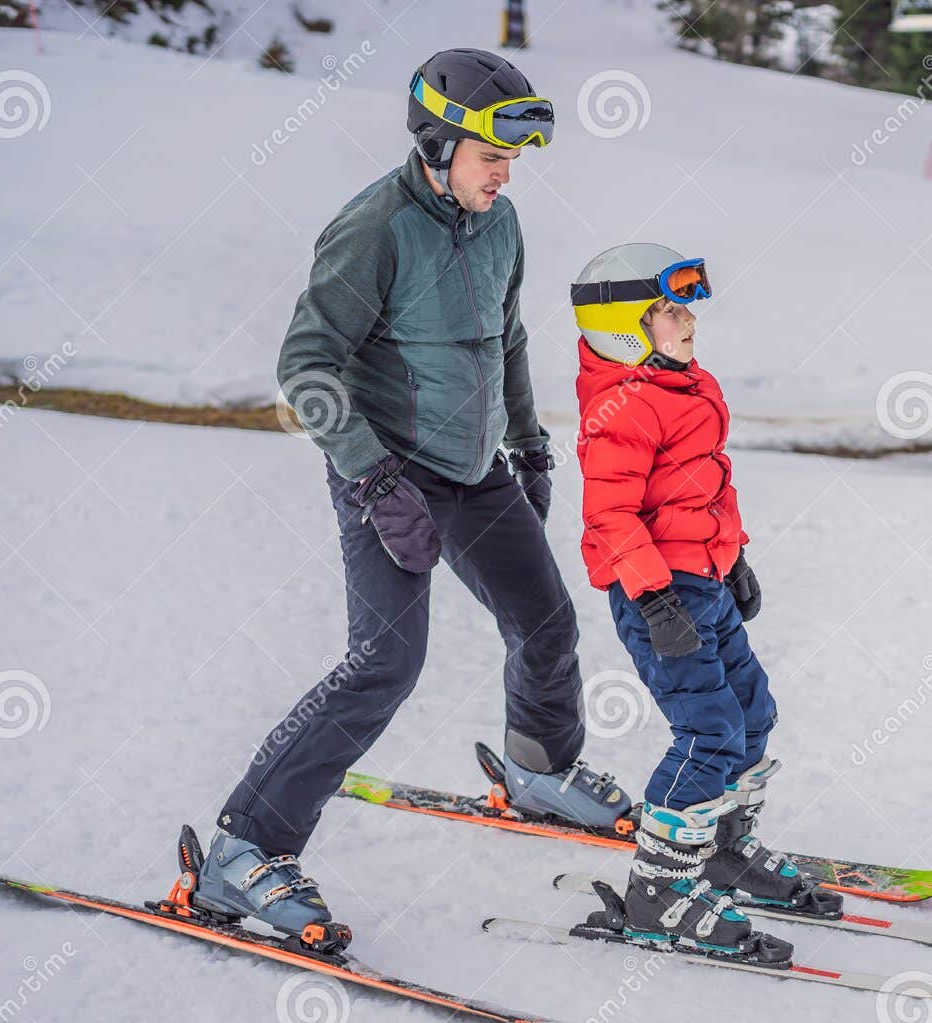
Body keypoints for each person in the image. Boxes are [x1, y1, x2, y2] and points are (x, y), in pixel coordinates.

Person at [195, 50, 631, 948]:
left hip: (476, 471)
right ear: (437, 142)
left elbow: (505, 337)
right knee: (384, 664)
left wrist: (529, 440)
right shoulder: (374, 228)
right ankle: (243, 851)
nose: (506, 174)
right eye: (491, 156)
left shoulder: (501, 222)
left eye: (513, 160)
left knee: (546, 624)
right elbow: (303, 372)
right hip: (385, 473)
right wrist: (372, 475)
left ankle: (539, 769)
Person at [569, 244, 840, 963]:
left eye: (687, 306)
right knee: (707, 733)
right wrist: (655, 597)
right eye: (669, 309)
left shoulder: (687, 385)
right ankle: (659, 892)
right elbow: (611, 515)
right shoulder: (620, 408)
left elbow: (706, 486)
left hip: (706, 581)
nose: (687, 319)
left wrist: (736, 552)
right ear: (626, 326)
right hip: (657, 593)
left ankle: (720, 853)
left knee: (753, 713)